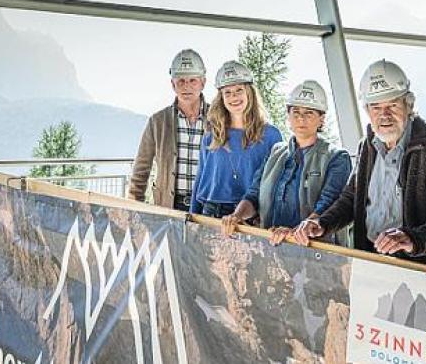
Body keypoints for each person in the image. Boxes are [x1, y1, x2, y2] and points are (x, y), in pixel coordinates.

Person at [295, 60, 426, 270]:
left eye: (392, 105)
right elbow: (352, 199)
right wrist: (322, 223)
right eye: (376, 107)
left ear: (409, 104)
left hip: (420, 270)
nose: (384, 115)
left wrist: (413, 239)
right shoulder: (367, 145)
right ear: (367, 110)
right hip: (370, 261)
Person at [219, 80, 352, 243]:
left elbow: (328, 205)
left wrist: (294, 233)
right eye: (295, 112)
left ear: (321, 119)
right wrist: (236, 216)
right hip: (272, 245)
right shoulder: (276, 152)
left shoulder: (337, 157)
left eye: (309, 113)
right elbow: (253, 195)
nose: (301, 118)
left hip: (316, 252)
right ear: (288, 115)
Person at [189, 60, 281, 218]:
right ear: (222, 98)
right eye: (228, 93)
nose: (234, 97)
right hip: (212, 212)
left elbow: (277, 182)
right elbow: (200, 177)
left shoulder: (271, 135)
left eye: (239, 90)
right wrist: (191, 217)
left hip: (252, 214)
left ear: (249, 93)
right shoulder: (212, 135)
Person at [128, 49, 209, 211]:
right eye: (181, 81)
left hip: (207, 208)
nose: (187, 86)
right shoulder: (157, 121)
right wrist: (133, 206)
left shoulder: (219, 119)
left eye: (193, 80)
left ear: (203, 83)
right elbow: (141, 169)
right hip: (167, 206)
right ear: (173, 84)